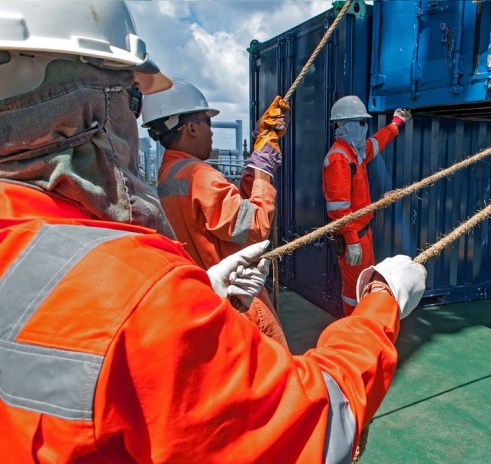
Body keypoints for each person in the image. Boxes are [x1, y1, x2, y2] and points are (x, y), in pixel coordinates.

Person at [0, 1, 428, 462]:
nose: (209, 129)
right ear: (89, 100)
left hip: (210, 286)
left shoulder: (146, 184)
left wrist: (205, 280)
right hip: (242, 304)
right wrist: (382, 300)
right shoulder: (149, 273)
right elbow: (309, 422)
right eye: (130, 96)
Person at [141, 78, 288, 347]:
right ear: (191, 128)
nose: (211, 131)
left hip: (208, 295)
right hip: (239, 301)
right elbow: (254, 229)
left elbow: (232, 215)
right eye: (207, 122)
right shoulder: (199, 175)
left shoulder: (169, 174)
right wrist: (264, 171)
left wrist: (254, 166)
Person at [322, 95, 412, 316]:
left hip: (363, 235)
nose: (365, 127)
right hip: (353, 237)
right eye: (361, 123)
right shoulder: (339, 158)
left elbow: (377, 141)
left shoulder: (355, 152)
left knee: (363, 284)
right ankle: (353, 331)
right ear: (347, 125)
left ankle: (361, 325)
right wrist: (352, 241)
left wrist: (396, 123)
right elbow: (339, 209)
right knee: (354, 291)